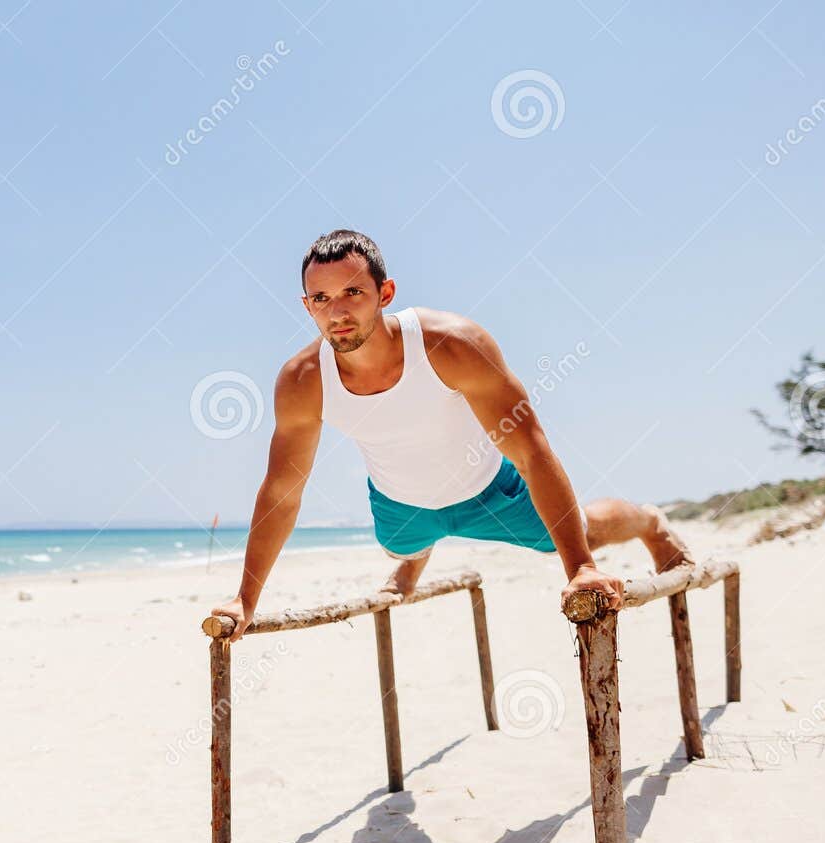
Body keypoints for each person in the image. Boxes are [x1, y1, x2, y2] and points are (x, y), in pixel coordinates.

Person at [211, 229, 692, 641]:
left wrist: (581, 566)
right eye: (321, 298)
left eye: (352, 293)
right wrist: (244, 599)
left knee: (583, 532)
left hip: (487, 489)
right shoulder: (301, 381)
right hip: (399, 507)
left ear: (385, 292)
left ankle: (649, 521)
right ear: (306, 305)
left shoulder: (451, 344)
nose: (336, 311)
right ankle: (415, 557)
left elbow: (529, 449)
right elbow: (282, 493)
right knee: (398, 548)